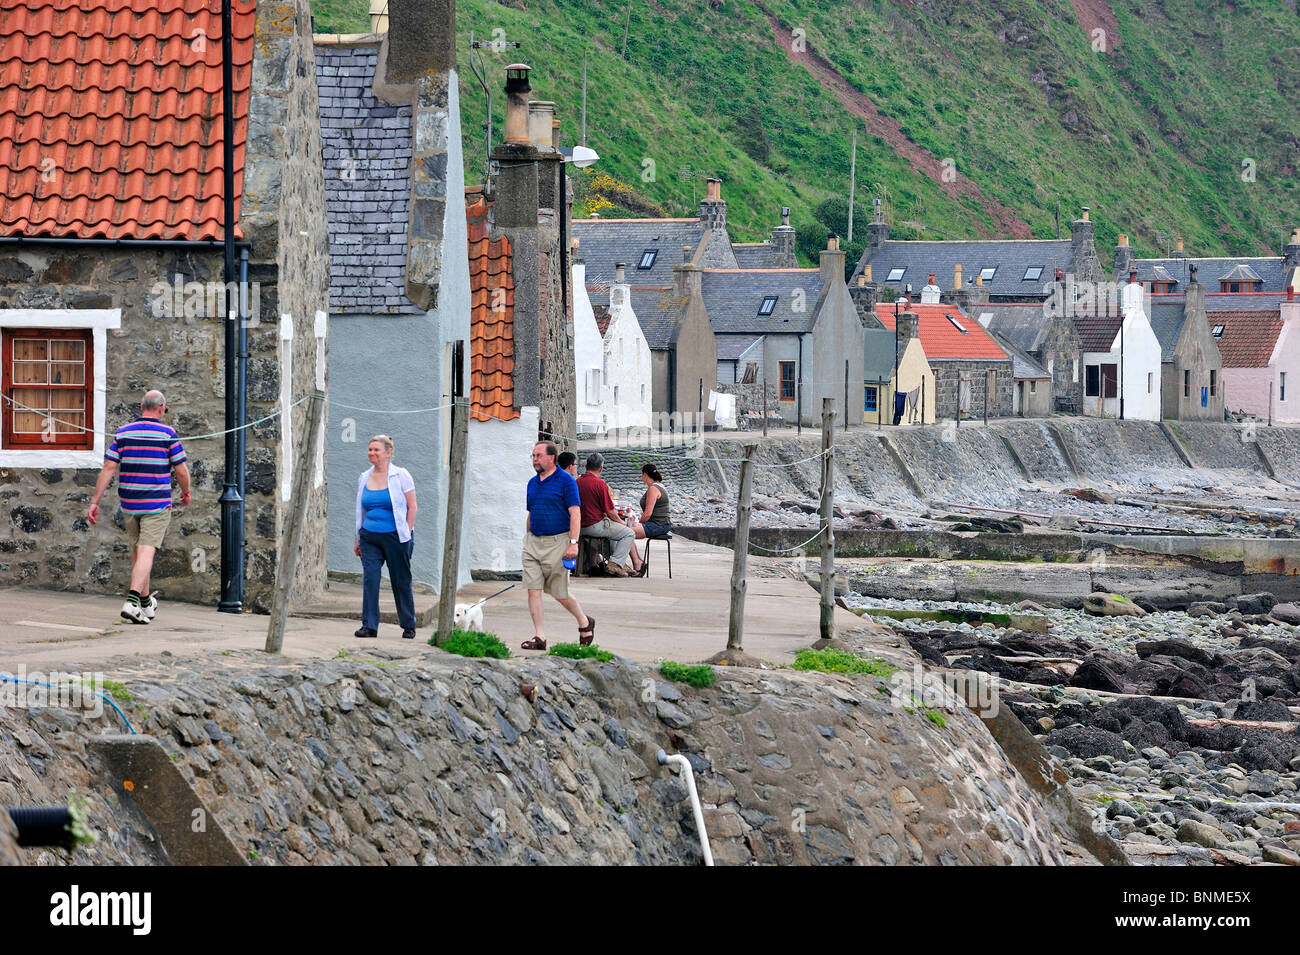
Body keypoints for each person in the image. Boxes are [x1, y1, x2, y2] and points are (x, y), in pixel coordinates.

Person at [87, 390, 190, 624]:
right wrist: (185, 492)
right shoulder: (168, 433)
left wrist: (94, 501)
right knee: (146, 551)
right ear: (161, 407)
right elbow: (181, 470)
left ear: (141, 406)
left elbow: (109, 468)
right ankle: (132, 601)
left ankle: (146, 604)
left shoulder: (123, 432)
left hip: (130, 503)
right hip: (156, 502)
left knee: (138, 552)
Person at [520, 441, 594, 651]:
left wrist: (573, 543)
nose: (535, 459)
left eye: (539, 455)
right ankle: (540, 637)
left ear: (551, 458)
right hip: (533, 541)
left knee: (559, 593)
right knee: (533, 589)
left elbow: (575, 513)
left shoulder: (566, 481)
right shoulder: (532, 483)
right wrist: (528, 538)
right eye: (533, 455)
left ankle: (584, 622)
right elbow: (531, 513)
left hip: (558, 542)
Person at [354, 435, 418, 639]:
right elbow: (360, 510)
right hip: (370, 536)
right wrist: (357, 537)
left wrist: (406, 534)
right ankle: (369, 626)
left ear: (388, 453)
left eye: (376, 450)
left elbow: (412, 507)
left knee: (400, 581)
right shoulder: (364, 476)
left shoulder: (401, 475)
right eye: (370, 449)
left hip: (395, 537)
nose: (371, 453)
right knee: (370, 580)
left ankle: (408, 624)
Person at [577, 452, 643, 577]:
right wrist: (622, 522)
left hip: (579, 526)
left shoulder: (577, 481)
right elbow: (610, 511)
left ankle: (619, 563)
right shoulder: (600, 484)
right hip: (593, 525)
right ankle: (615, 563)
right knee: (629, 533)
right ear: (601, 468)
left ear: (586, 466)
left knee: (614, 532)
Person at [631, 463, 672, 559]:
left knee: (625, 532)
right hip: (662, 524)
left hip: (658, 525)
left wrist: (638, 523)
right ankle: (638, 562)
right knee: (625, 531)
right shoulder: (659, 485)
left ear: (645, 475)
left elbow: (647, 514)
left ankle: (638, 563)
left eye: (642, 475)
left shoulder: (653, 488)